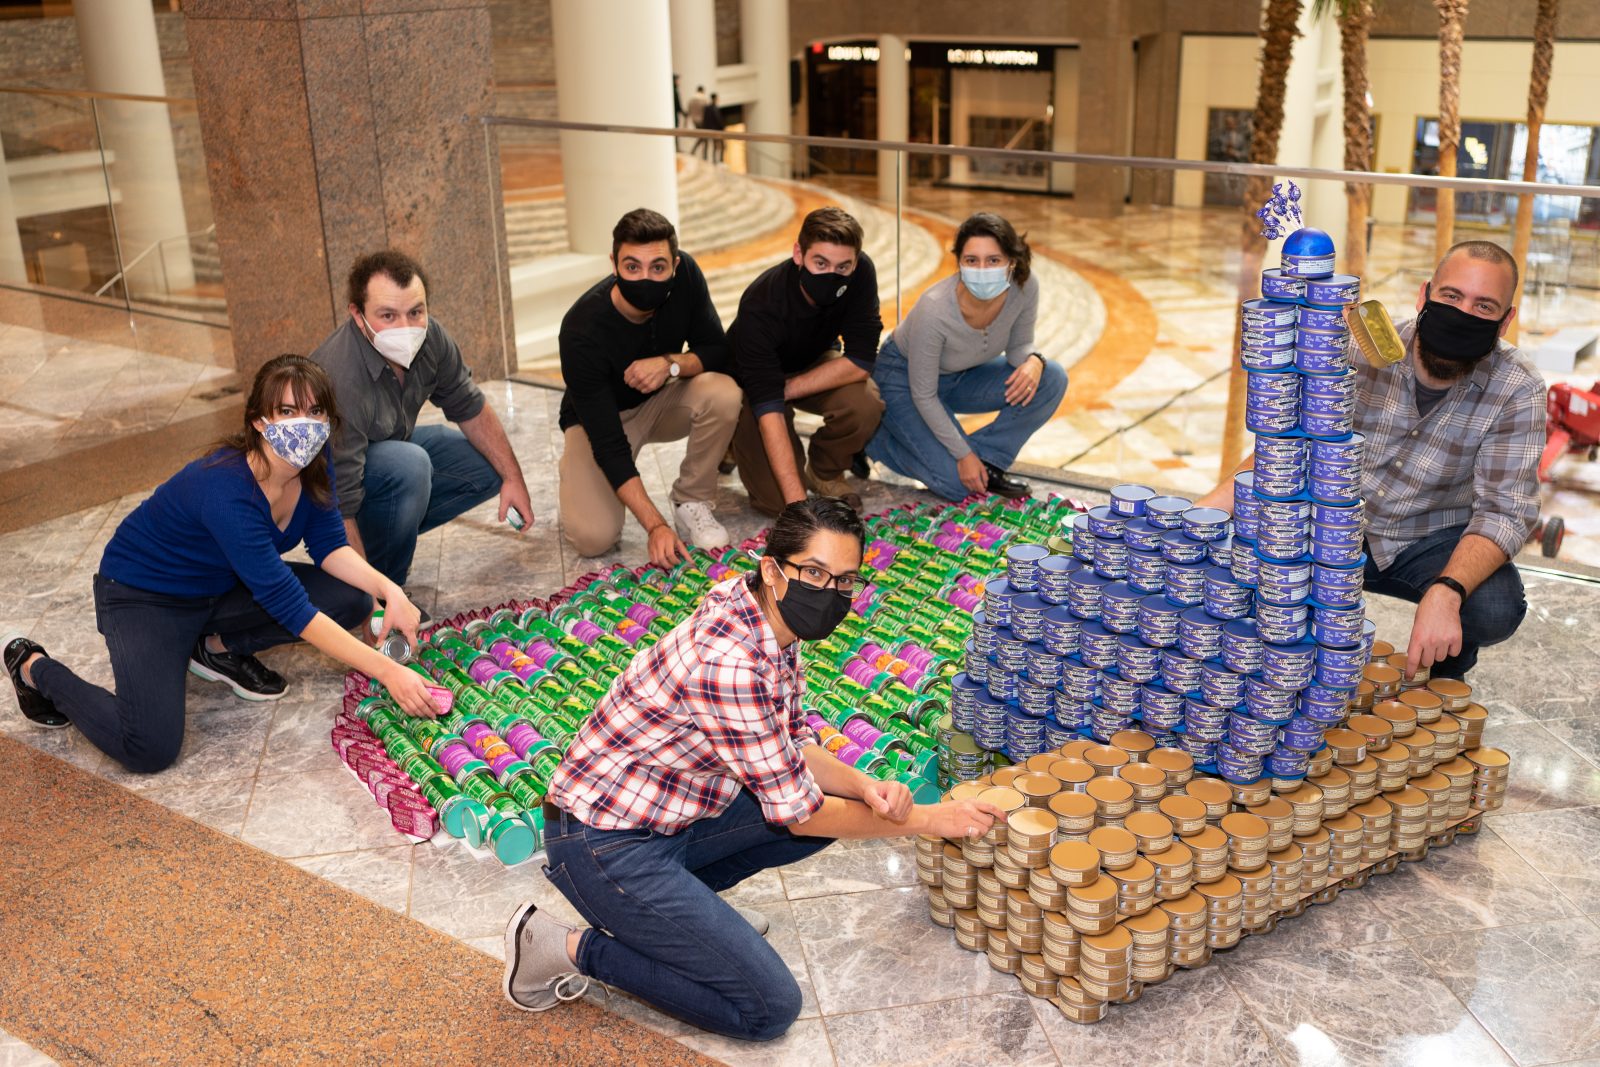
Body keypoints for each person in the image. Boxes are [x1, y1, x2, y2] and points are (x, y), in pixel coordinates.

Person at [497, 497, 1005, 1041]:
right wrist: (934, 820)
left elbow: (793, 744)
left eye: (845, 581)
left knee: (848, 809)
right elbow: (802, 814)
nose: (829, 593)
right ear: (773, 569)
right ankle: (566, 947)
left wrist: (866, 784)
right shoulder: (731, 662)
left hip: (669, 815)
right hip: (601, 844)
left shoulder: (764, 616)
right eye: (814, 572)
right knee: (768, 1009)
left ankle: (679, 925)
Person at [2, 356, 441, 775]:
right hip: (145, 597)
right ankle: (33, 667)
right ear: (257, 420)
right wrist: (387, 670)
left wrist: (391, 591)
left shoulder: (312, 460)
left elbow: (328, 545)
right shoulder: (226, 490)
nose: (302, 424)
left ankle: (212, 646)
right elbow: (290, 607)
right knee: (148, 746)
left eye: (314, 410)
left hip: (221, 586)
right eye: (286, 411)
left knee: (350, 599)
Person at [1195, 240, 1542, 680]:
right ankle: (1284, 658)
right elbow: (1285, 445)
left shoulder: (1518, 388)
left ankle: (1443, 668)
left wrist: (1448, 590)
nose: (1463, 314)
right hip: (1328, 524)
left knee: (1493, 607)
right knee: (1237, 559)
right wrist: (1207, 509)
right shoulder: (1356, 350)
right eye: (1452, 297)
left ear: (1506, 320)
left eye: (1484, 306)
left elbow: (1505, 512)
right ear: (1425, 295)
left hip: (1426, 538)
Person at [311, 250, 534, 589]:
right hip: (327, 492)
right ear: (358, 315)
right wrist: (371, 602)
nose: (406, 328)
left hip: (384, 454)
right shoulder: (341, 378)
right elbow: (337, 501)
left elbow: (468, 404)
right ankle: (384, 581)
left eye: (415, 312)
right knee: (409, 465)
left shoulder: (431, 338)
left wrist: (513, 478)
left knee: (487, 463)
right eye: (388, 315)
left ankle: (384, 535)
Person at [557, 208, 742, 567]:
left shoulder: (687, 275)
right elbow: (609, 445)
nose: (645, 278)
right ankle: (575, 472)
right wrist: (655, 526)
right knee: (593, 538)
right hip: (596, 422)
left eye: (658, 267)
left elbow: (717, 350)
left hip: (661, 403)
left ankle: (691, 500)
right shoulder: (581, 330)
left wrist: (670, 364)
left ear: (674, 264)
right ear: (614, 264)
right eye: (632, 267)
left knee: (724, 392)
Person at [865, 211, 1066, 501]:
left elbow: (1020, 347)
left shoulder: (1024, 286)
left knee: (1051, 378)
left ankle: (989, 462)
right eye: (972, 260)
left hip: (962, 375)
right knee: (959, 485)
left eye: (993, 260)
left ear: (1012, 260)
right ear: (959, 261)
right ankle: (874, 440)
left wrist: (1035, 360)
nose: (982, 270)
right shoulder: (934, 309)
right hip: (904, 381)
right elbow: (924, 394)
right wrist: (962, 455)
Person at [728, 207, 885, 516]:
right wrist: (799, 508)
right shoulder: (761, 303)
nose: (832, 274)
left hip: (810, 360)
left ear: (855, 261)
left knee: (865, 402)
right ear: (798, 254)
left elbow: (861, 360)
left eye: (843, 266)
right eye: (820, 263)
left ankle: (824, 472)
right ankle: (732, 439)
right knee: (778, 501)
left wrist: (788, 389)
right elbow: (769, 407)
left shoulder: (862, 272)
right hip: (749, 379)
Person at [700, 93, 725, 164]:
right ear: (715, 99)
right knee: (716, 145)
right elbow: (718, 120)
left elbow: (705, 119)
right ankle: (718, 160)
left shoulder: (707, 108)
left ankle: (708, 159)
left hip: (708, 129)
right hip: (714, 130)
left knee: (710, 145)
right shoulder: (714, 108)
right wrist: (722, 128)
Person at [688, 84, 710, 159]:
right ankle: (703, 155)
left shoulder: (692, 99)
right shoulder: (704, 99)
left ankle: (694, 151)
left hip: (695, 120)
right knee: (704, 137)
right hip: (702, 121)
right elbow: (706, 111)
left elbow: (689, 110)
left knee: (702, 137)